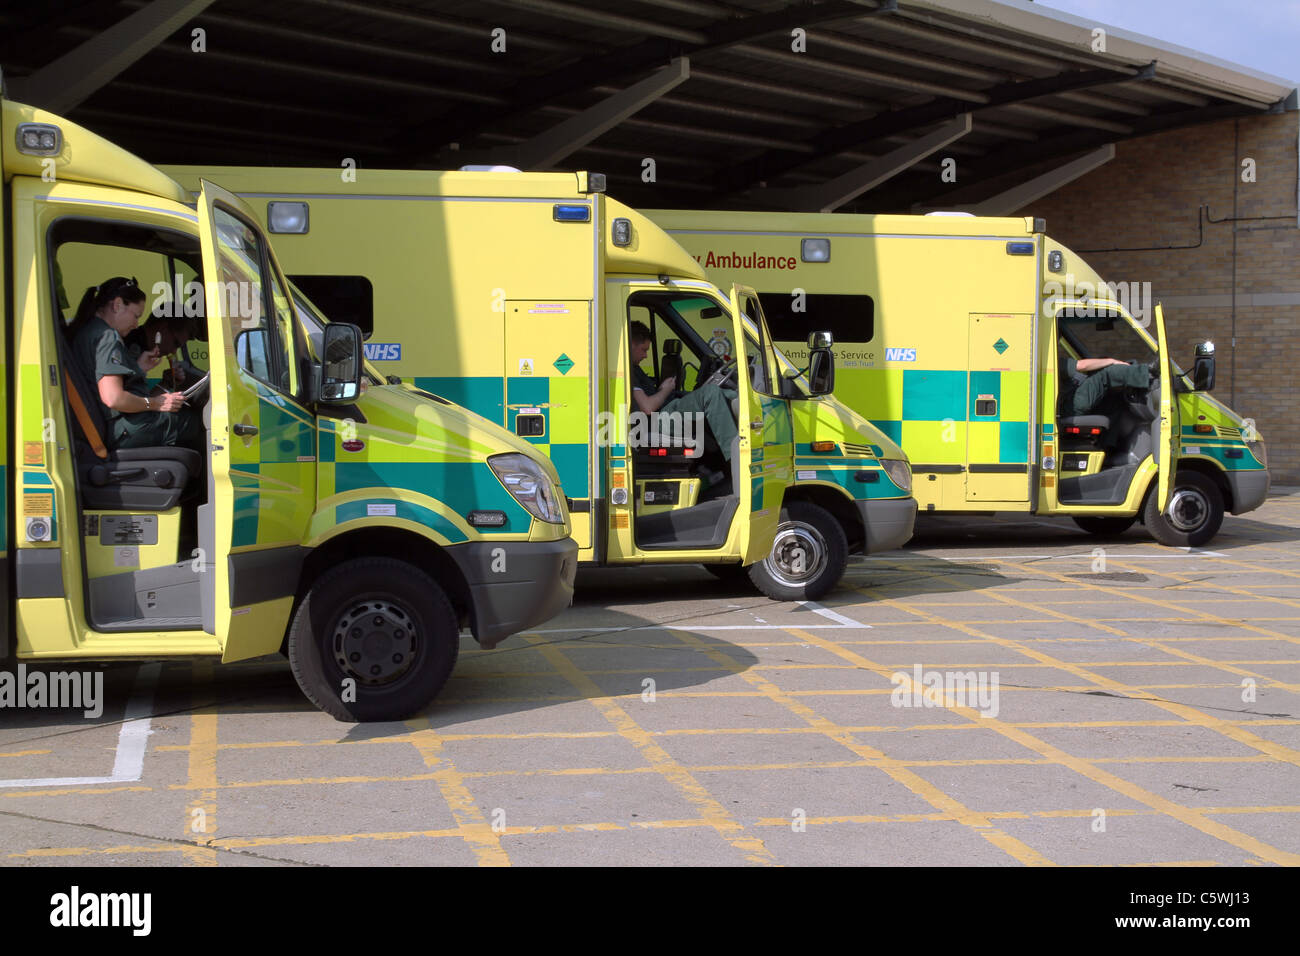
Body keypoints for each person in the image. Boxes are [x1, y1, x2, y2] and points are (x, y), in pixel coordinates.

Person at [71, 276, 204, 452]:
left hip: (117, 427)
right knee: (199, 424)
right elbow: (114, 398)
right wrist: (156, 403)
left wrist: (140, 371)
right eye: (136, 316)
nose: (136, 324)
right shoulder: (107, 337)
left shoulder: (90, 331)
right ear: (117, 304)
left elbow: (124, 394)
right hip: (123, 429)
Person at [628, 321, 738, 484]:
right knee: (711, 393)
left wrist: (666, 390)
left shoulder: (635, 368)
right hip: (658, 420)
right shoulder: (627, 370)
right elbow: (647, 407)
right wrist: (665, 389)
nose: (645, 355)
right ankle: (736, 462)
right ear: (631, 344)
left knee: (727, 394)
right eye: (644, 350)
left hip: (667, 410)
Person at [1059, 353, 1154, 418]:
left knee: (1114, 402)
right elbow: (1082, 366)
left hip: (1067, 406)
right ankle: (1150, 373)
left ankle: (1110, 443)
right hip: (1070, 405)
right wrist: (1111, 361)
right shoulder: (1054, 361)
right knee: (1106, 373)